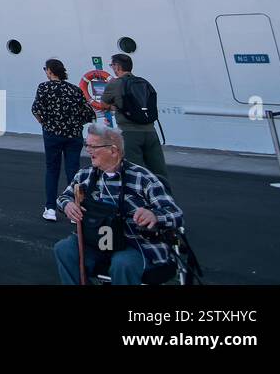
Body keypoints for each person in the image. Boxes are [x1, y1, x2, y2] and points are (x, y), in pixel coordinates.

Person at [54, 123, 183, 285]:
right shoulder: (85, 175)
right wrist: (67, 205)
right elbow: (63, 197)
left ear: (113, 151)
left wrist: (154, 215)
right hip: (95, 241)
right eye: (87, 145)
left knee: (123, 264)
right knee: (64, 249)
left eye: (93, 146)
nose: (88, 150)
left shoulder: (142, 178)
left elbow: (175, 213)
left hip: (134, 243)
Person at [32, 58, 96, 221]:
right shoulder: (74, 89)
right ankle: (76, 212)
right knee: (74, 173)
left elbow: (36, 109)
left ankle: (51, 209)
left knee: (52, 170)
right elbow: (88, 114)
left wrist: (45, 123)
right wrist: (74, 124)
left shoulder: (44, 87)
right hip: (73, 135)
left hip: (53, 134)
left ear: (50, 71)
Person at [102, 53, 170, 189]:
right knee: (159, 171)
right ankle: (166, 202)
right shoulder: (144, 82)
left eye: (112, 65)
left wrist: (113, 106)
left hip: (129, 133)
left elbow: (103, 104)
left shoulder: (115, 84)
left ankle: (140, 205)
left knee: (135, 172)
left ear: (117, 66)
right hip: (150, 131)